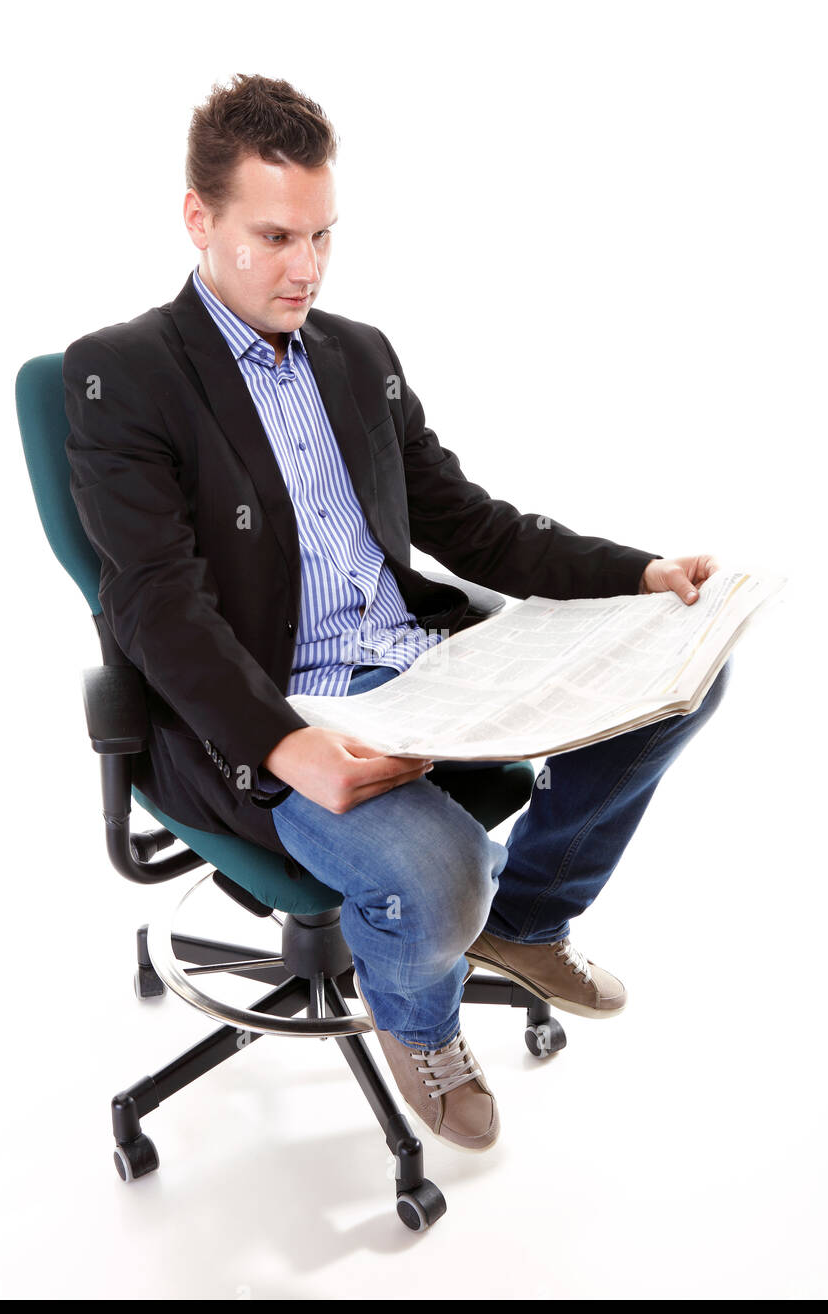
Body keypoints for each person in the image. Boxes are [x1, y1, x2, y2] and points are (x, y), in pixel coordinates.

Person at [63, 73, 730, 1154]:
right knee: (440, 866)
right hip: (268, 705)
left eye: (324, 235)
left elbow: (468, 523)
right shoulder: (124, 374)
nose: (306, 268)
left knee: (685, 666)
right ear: (199, 217)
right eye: (275, 235)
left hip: (424, 672)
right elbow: (154, 604)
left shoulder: (356, 354)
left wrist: (638, 572)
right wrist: (287, 745)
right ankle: (417, 1020)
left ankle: (521, 922)